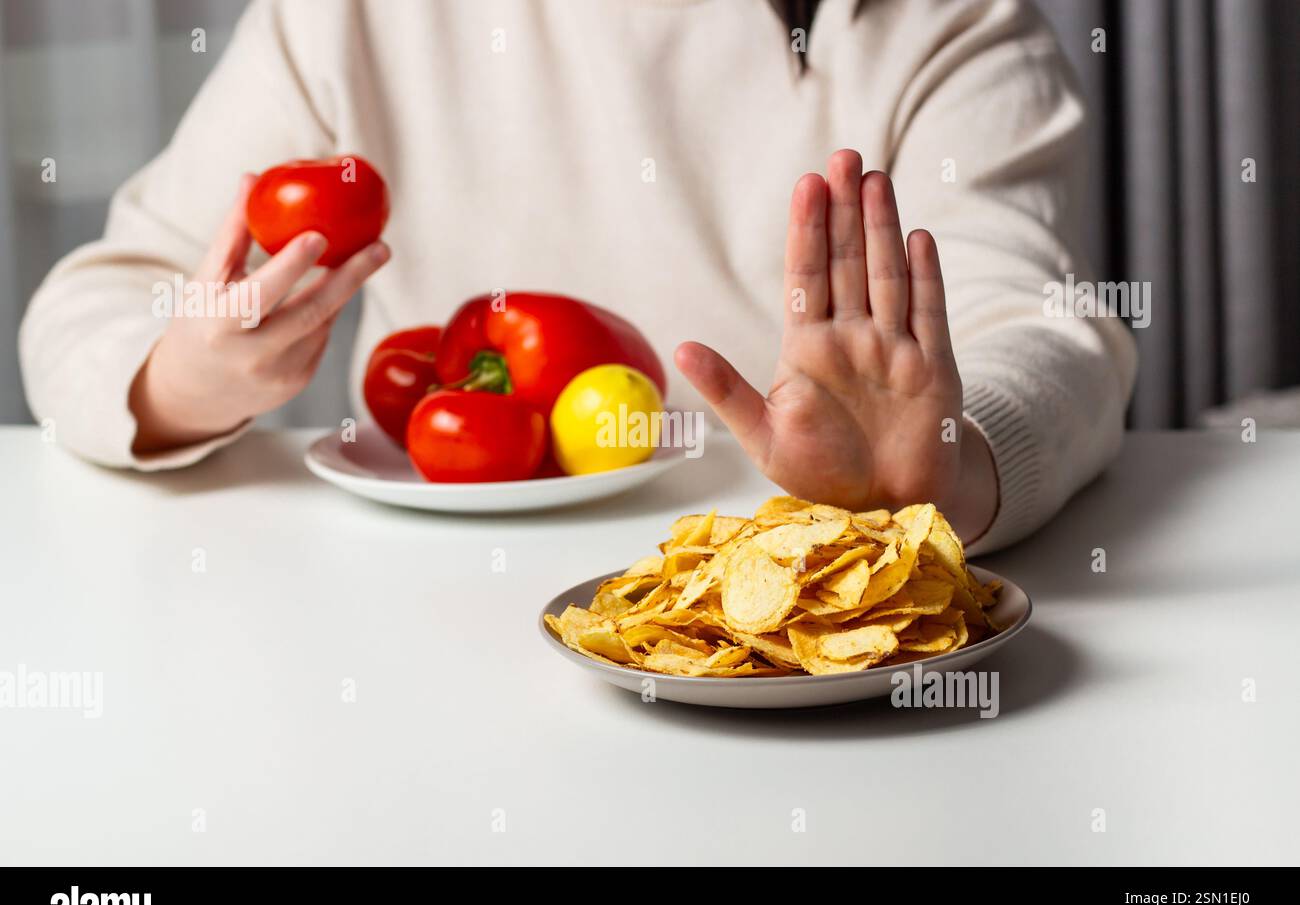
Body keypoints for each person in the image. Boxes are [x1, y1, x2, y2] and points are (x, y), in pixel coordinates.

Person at [17, 0, 1135, 554]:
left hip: (774, 648)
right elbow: (91, 305)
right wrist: (184, 380)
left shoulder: (948, 24)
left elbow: (1044, 330)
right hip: (416, 619)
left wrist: (943, 465)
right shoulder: (349, 15)